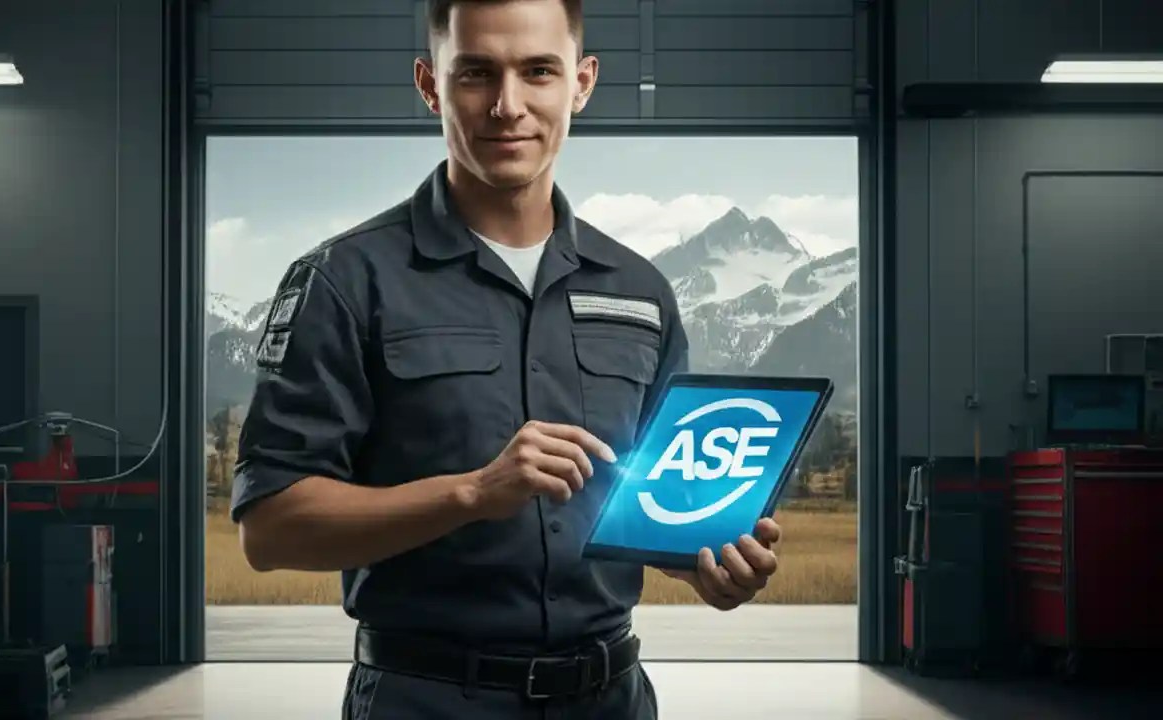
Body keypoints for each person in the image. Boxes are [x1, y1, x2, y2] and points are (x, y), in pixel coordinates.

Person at [230, 0, 783, 717]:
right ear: (430, 85)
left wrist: (708, 563)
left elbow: (653, 504)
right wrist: (472, 493)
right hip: (423, 702)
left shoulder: (642, 292)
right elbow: (270, 529)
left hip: (613, 700)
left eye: (539, 71)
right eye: (476, 73)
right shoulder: (343, 282)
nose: (507, 105)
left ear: (581, 83)